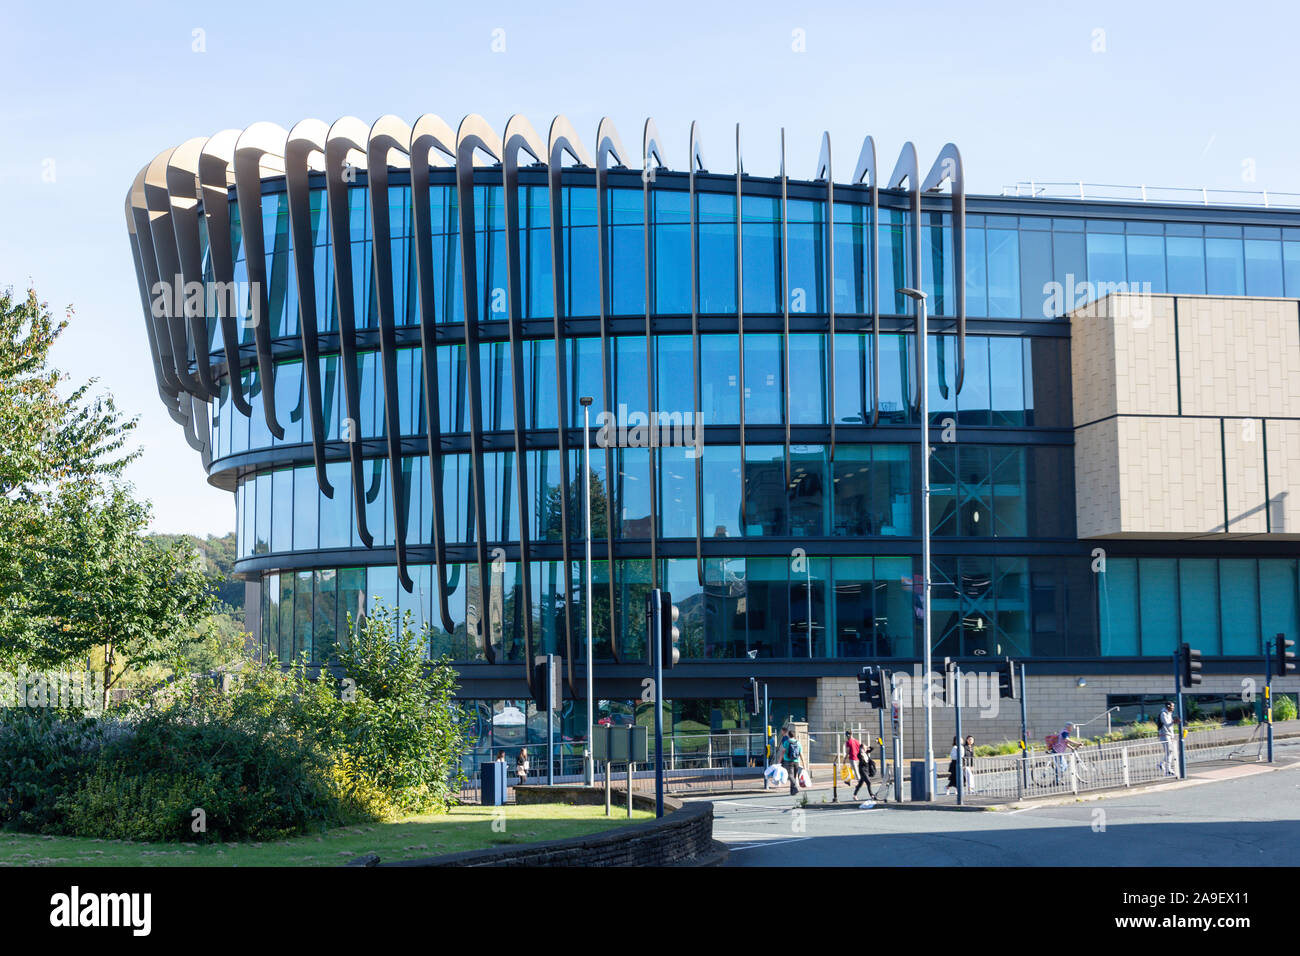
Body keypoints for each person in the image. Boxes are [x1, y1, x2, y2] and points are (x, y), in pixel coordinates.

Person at [845, 730, 876, 803]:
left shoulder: (866, 753)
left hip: (867, 770)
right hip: (862, 770)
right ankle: (872, 795)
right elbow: (860, 759)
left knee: (860, 783)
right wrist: (862, 751)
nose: (865, 749)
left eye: (865, 748)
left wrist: (868, 747)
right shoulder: (860, 754)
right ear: (862, 748)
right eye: (864, 748)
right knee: (868, 782)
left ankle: (855, 795)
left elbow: (872, 748)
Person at [780, 728, 803, 796]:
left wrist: (779, 761)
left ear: (788, 735)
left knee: (790, 776)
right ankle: (792, 791)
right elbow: (801, 753)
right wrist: (803, 763)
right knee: (794, 776)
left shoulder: (786, 742)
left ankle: (795, 788)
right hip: (796, 761)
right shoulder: (798, 742)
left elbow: (783, 752)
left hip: (788, 761)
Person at [1157, 701, 1178, 776]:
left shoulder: (1168, 713)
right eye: (1172, 706)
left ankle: (1161, 764)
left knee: (1170, 752)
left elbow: (1170, 725)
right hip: (1164, 735)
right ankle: (1168, 770)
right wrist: (1173, 722)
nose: (1173, 708)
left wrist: (1172, 736)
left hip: (1168, 735)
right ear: (1168, 706)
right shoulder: (1163, 714)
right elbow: (1167, 724)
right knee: (1169, 752)